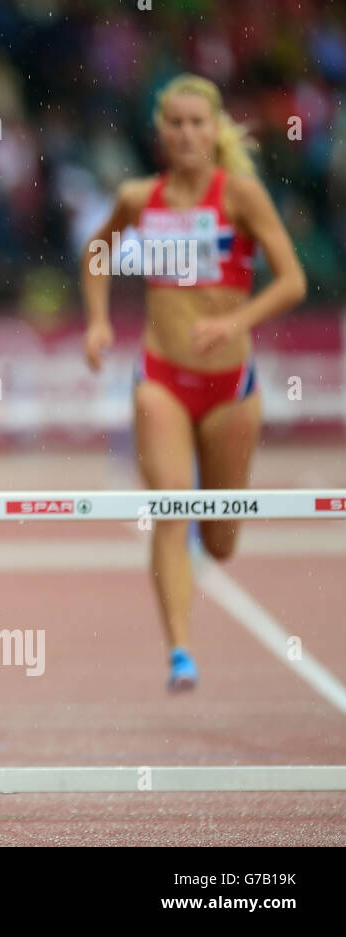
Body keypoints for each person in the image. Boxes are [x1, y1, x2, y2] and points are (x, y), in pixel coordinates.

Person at [81, 74, 307, 691]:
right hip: (160, 378)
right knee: (171, 505)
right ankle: (180, 650)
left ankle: (211, 547)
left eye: (197, 123)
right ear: (160, 133)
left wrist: (235, 319)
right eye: (175, 124)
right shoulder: (138, 198)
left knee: (222, 539)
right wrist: (99, 322)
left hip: (230, 384)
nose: (186, 133)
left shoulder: (240, 196)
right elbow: (96, 252)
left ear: (216, 130)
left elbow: (292, 281)